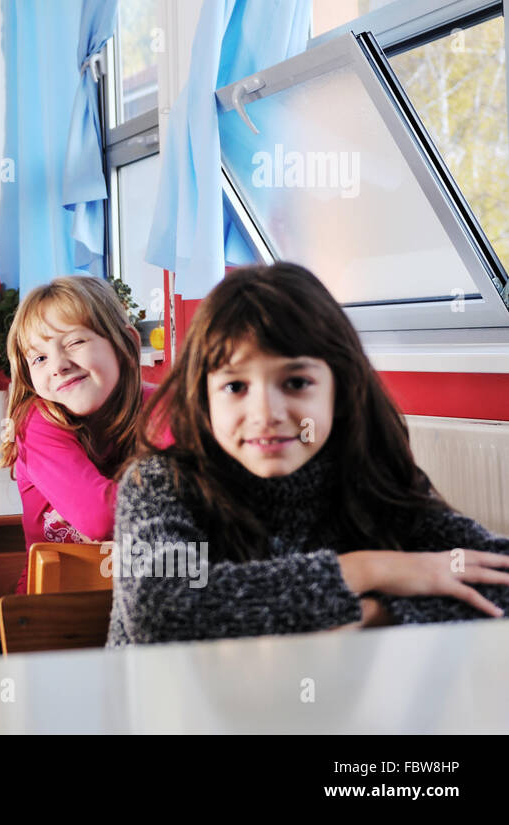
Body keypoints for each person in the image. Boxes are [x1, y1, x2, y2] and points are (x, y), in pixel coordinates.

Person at [108, 262, 509, 645]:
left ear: (339, 389)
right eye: (235, 387)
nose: (266, 414)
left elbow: (499, 578)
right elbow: (160, 609)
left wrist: (376, 614)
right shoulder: (160, 483)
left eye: (296, 382)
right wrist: (372, 568)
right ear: (203, 397)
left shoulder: (369, 477)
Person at [0, 276, 150, 591]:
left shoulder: (164, 407)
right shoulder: (37, 422)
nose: (58, 365)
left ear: (128, 345)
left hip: (150, 607)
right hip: (53, 615)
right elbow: (100, 519)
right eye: (39, 357)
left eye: (74, 342)